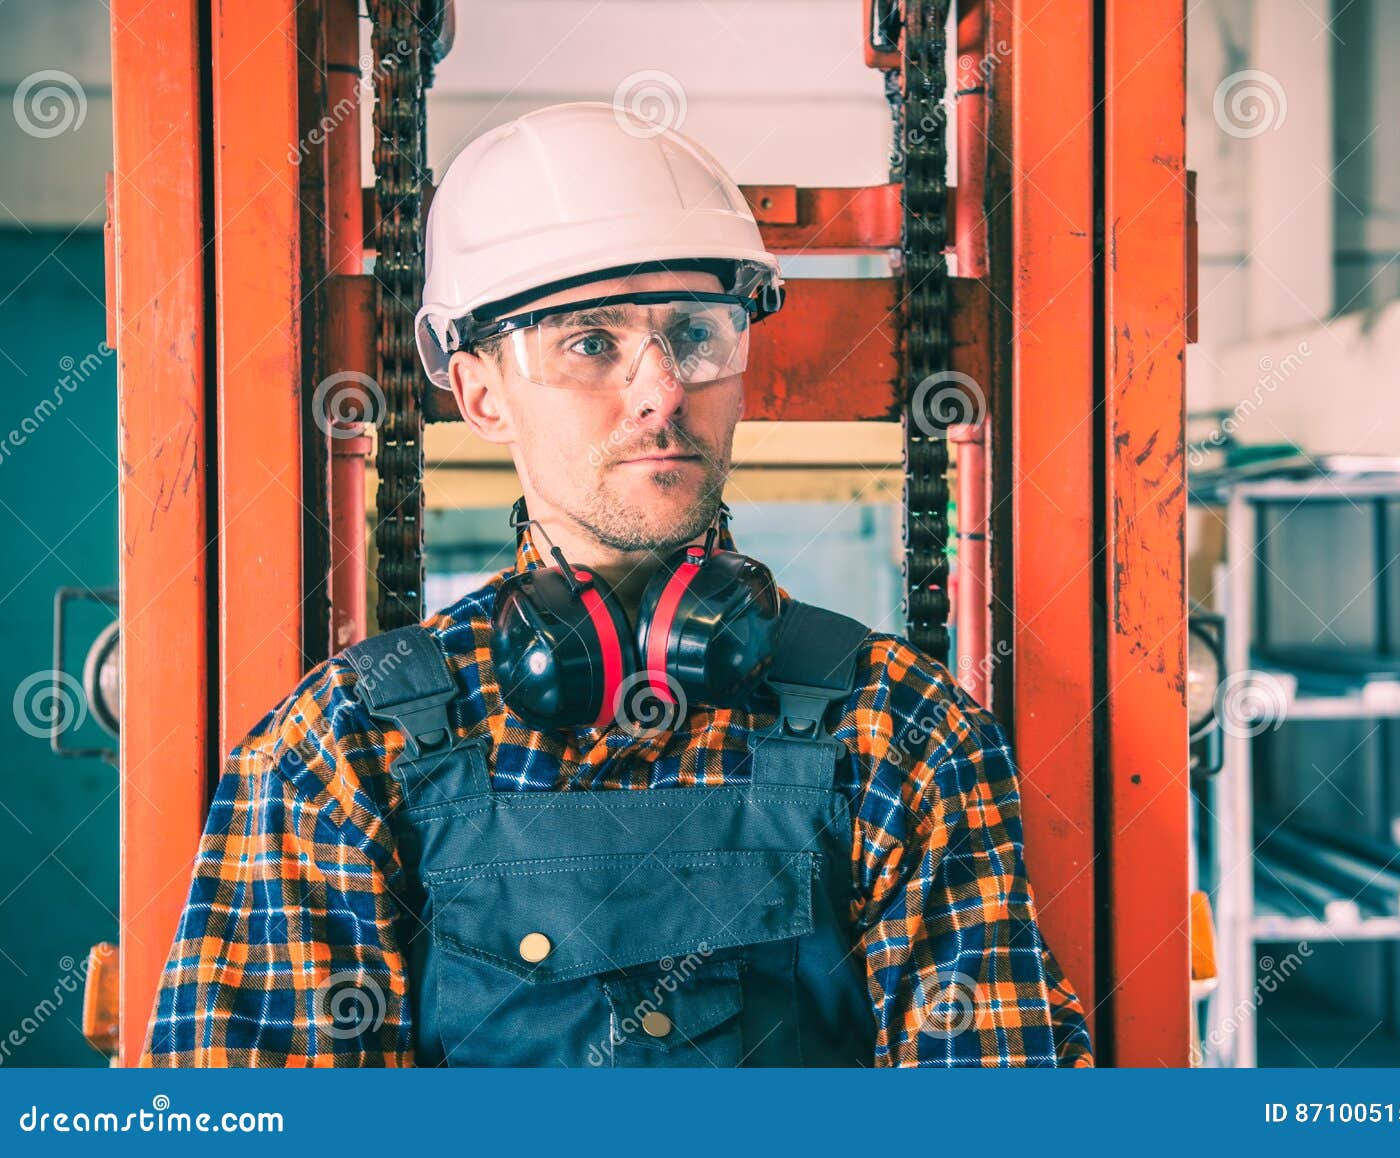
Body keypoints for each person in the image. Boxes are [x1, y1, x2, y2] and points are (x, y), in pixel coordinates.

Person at [141, 102, 1092, 1068]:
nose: (662, 390)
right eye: (590, 343)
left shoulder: (899, 729)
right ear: (479, 394)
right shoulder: (342, 753)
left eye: (695, 335)